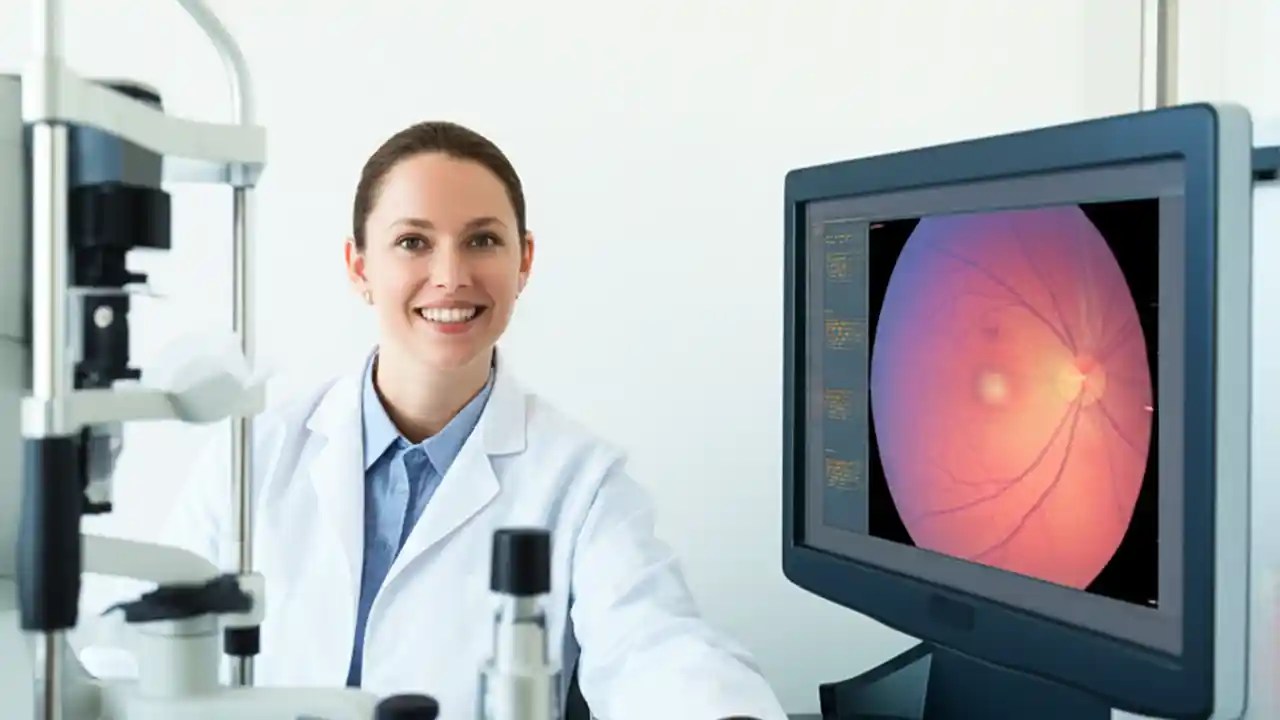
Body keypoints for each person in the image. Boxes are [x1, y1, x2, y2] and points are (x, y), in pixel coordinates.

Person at [153, 120, 789, 720]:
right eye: (412, 242)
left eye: (482, 240)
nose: (451, 277)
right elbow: (136, 655)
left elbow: (655, 646)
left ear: (524, 262)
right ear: (359, 267)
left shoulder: (582, 483)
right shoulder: (252, 455)